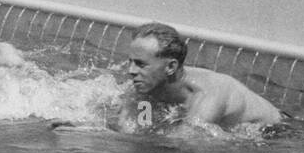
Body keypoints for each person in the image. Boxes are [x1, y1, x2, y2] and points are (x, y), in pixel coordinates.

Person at [114, 22, 282, 131]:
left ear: (171, 67)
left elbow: (182, 146)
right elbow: (127, 128)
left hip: (274, 133)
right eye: (131, 62)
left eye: (140, 64)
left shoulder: (207, 95)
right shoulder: (146, 83)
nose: (131, 70)